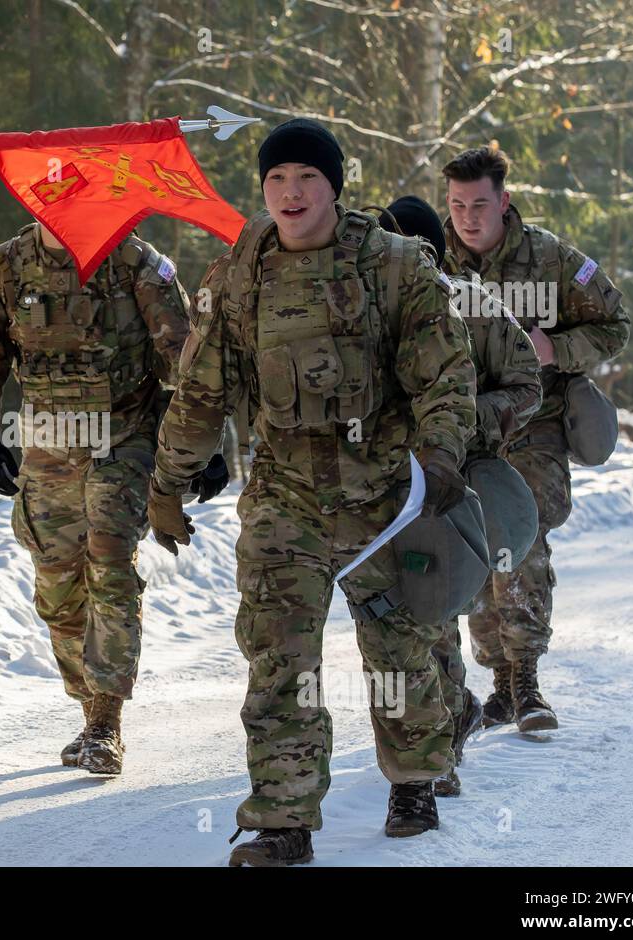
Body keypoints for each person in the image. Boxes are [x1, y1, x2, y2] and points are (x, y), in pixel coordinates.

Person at [148, 118, 478, 865]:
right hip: (286, 495)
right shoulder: (239, 273)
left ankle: (415, 778)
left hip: (387, 495)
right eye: (275, 180)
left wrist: (441, 457)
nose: (290, 194)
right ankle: (283, 819)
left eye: (306, 179)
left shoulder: (396, 267)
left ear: (334, 186)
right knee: (279, 655)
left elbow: (445, 376)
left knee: (400, 649)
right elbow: (202, 389)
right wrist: (167, 480)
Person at [0, 220, 214, 775]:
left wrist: (200, 440)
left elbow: (184, 359)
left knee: (110, 564)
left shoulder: (135, 264)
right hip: (47, 444)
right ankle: (89, 702)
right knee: (57, 587)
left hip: (125, 437)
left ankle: (105, 721)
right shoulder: (2, 269)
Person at [442, 147, 630, 732]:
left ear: (503, 200)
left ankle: (526, 681)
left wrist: (557, 350)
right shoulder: (427, 260)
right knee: (475, 542)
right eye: (455, 205)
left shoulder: (549, 257)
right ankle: (497, 682)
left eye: (479, 204)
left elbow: (614, 324)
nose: (468, 218)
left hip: (534, 421)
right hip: (466, 425)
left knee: (520, 536)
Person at [381, 195, 542, 795]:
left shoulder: (473, 304)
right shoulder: (364, 305)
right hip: (384, 482)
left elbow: (527, 385)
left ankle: (441, 736)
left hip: (457, 480)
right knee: (400, 610)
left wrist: (463, 422)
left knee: (433, 603)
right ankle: (446, 719)